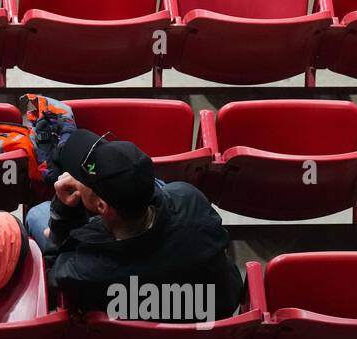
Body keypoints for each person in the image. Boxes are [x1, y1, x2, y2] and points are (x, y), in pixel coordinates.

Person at [24, 130, 244, 320]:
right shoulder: (188, 196)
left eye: (82, 177)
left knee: (36, 215)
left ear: (101, 206)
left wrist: (65, 211)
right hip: (211, 307)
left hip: (130, 335)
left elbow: (55, 271)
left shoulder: (83, 270)